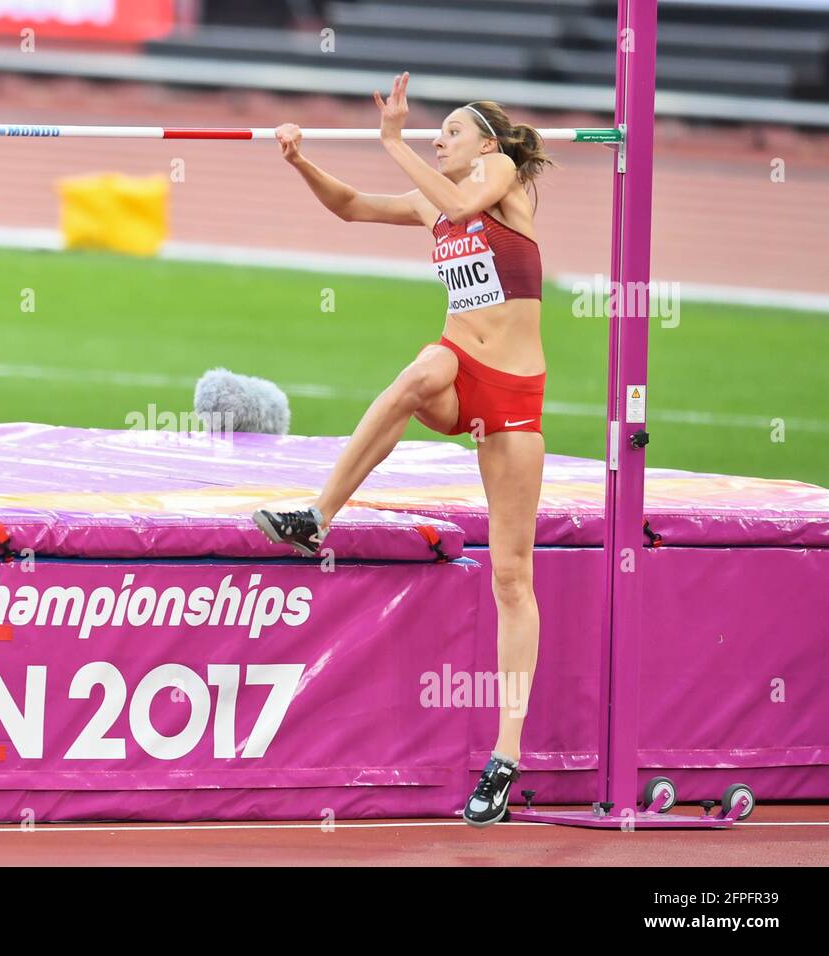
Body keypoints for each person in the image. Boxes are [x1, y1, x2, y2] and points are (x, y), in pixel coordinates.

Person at [252, 73, 554, 827]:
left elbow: (456, 201)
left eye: (448, 132)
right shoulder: (438, 200)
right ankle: (318, 515)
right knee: (422, 368)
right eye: (432, 134)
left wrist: (391, 138)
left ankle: (505, 756)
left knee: (512, 579)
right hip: (460, 370)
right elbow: (353, 206)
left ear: (485, 141)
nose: (435, 140)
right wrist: (299, 162)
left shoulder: (501, 181)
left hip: (513, 399)